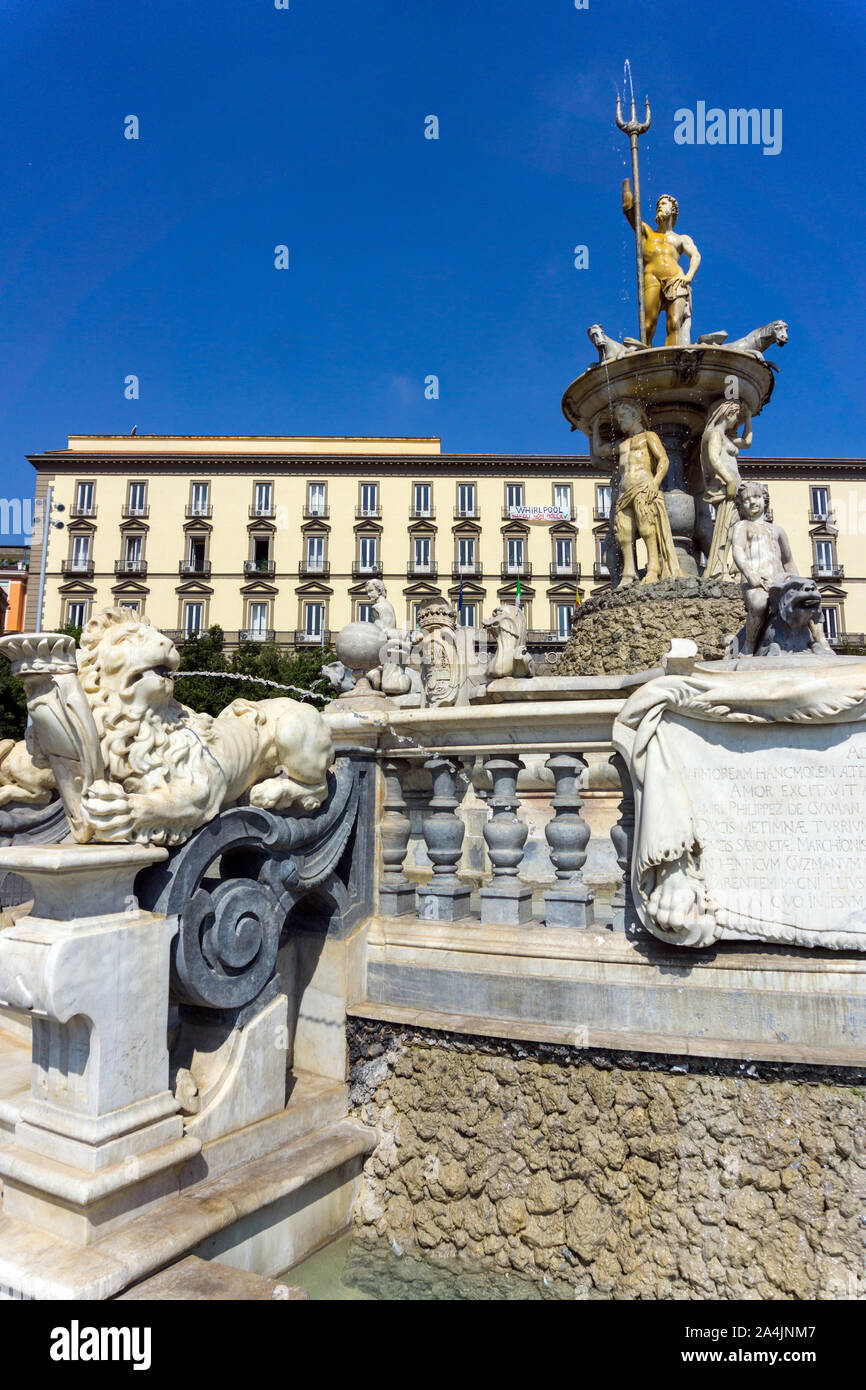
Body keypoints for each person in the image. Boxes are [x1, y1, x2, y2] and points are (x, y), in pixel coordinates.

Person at [592, 401, 683, 587]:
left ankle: (653, 569)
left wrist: (655, 482)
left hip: (644, 486)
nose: (619, 422)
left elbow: (663, 459)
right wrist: (594, 426)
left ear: (634, 415)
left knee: (647, 528)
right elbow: (598, 451)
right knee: (623, 533)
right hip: (624, 492)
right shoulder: (622, 444)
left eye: (622, 417)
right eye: (617, 419)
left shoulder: (649, 436)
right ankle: (628, 572)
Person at [622, 184, 700, 346]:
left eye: (663, 203)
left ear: (673, 210)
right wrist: (627, 186)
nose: (659, 206)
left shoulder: (681, 238)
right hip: (652, 277)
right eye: (658, 204)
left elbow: (695, 256)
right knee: (648, 325)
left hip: (676, 278)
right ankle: (645, 355)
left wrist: (688, 276)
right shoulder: (646, 232)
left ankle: (673, 360)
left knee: (674, 323)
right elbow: (629, 209)